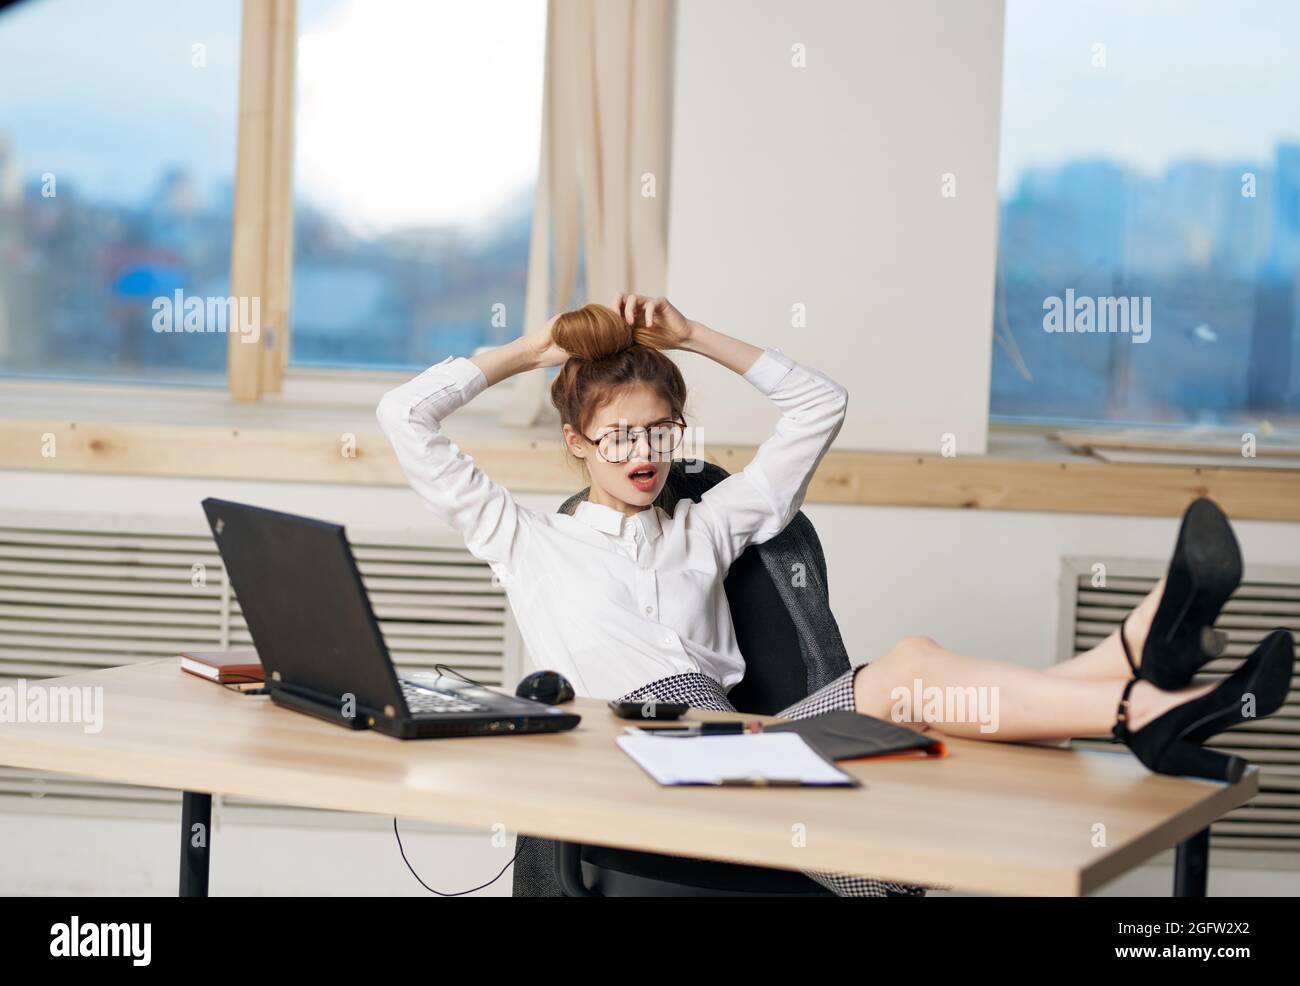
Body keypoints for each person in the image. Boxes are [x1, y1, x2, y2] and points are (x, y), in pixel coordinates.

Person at [377, 294, 1295, 896]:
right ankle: (1138, 679)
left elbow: (820, 403)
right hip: (640, 765)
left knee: (916, 672)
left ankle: (1135, 677)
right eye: (617, 437)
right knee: (903, 691)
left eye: (660, 433)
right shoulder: (524, 539)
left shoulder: (711, 523)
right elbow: (403, 418)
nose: (643, 455)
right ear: (575, 440)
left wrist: (694, 335)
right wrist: (535, 346)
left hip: (734, 747)